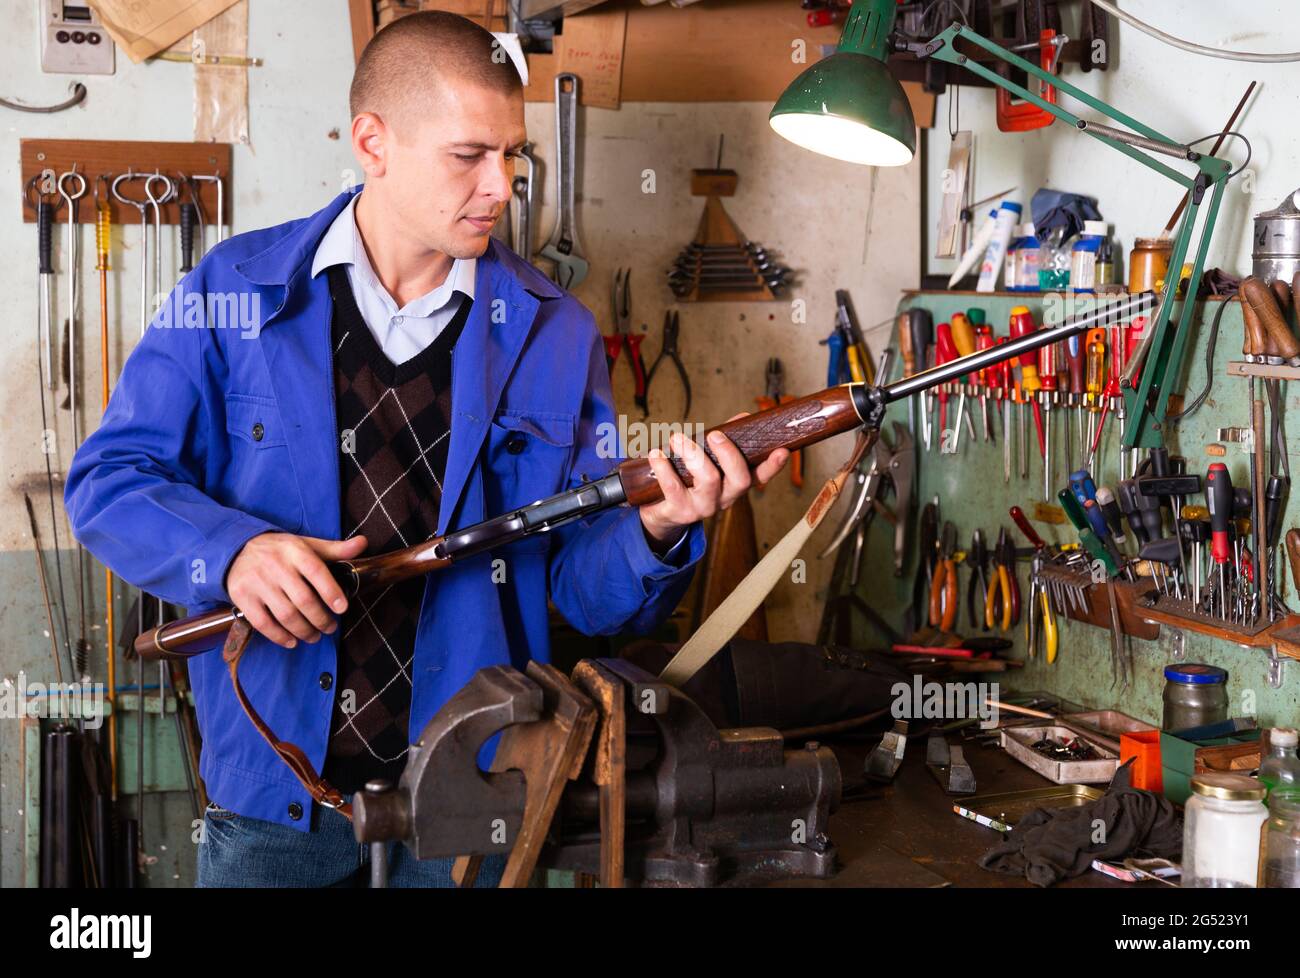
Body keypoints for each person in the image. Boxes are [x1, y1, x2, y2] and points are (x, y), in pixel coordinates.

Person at [64, 11, 787, 887]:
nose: (501, 185)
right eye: (468, 155)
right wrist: (233, 554)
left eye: (512, 154)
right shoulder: (233, 291)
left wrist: (660, 527)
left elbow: (580, 593)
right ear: (373, 142)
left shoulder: (555, 334)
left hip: (471, 803)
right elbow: (109, 481)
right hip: (273, 803)